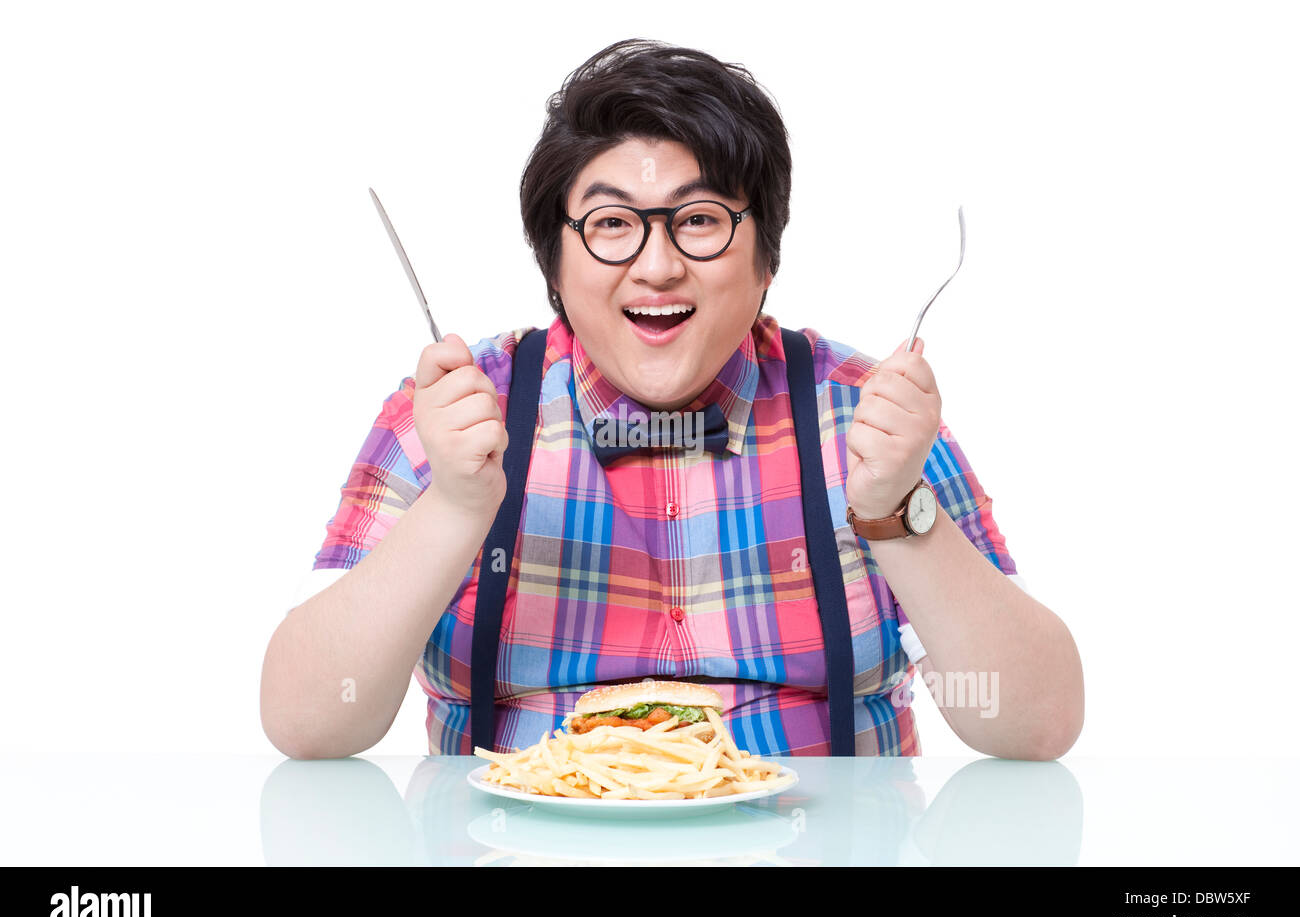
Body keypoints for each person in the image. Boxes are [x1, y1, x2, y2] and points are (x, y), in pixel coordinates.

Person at [260, 38, 1084, 761]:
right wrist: (453, 507)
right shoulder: (453, 416)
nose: (656, 267)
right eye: (612, 225)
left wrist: (894, 511)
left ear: (768, 259)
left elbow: (1034, 726)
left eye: (698, 220)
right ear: (555, 263)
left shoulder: (864, 415)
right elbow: (308, 722)